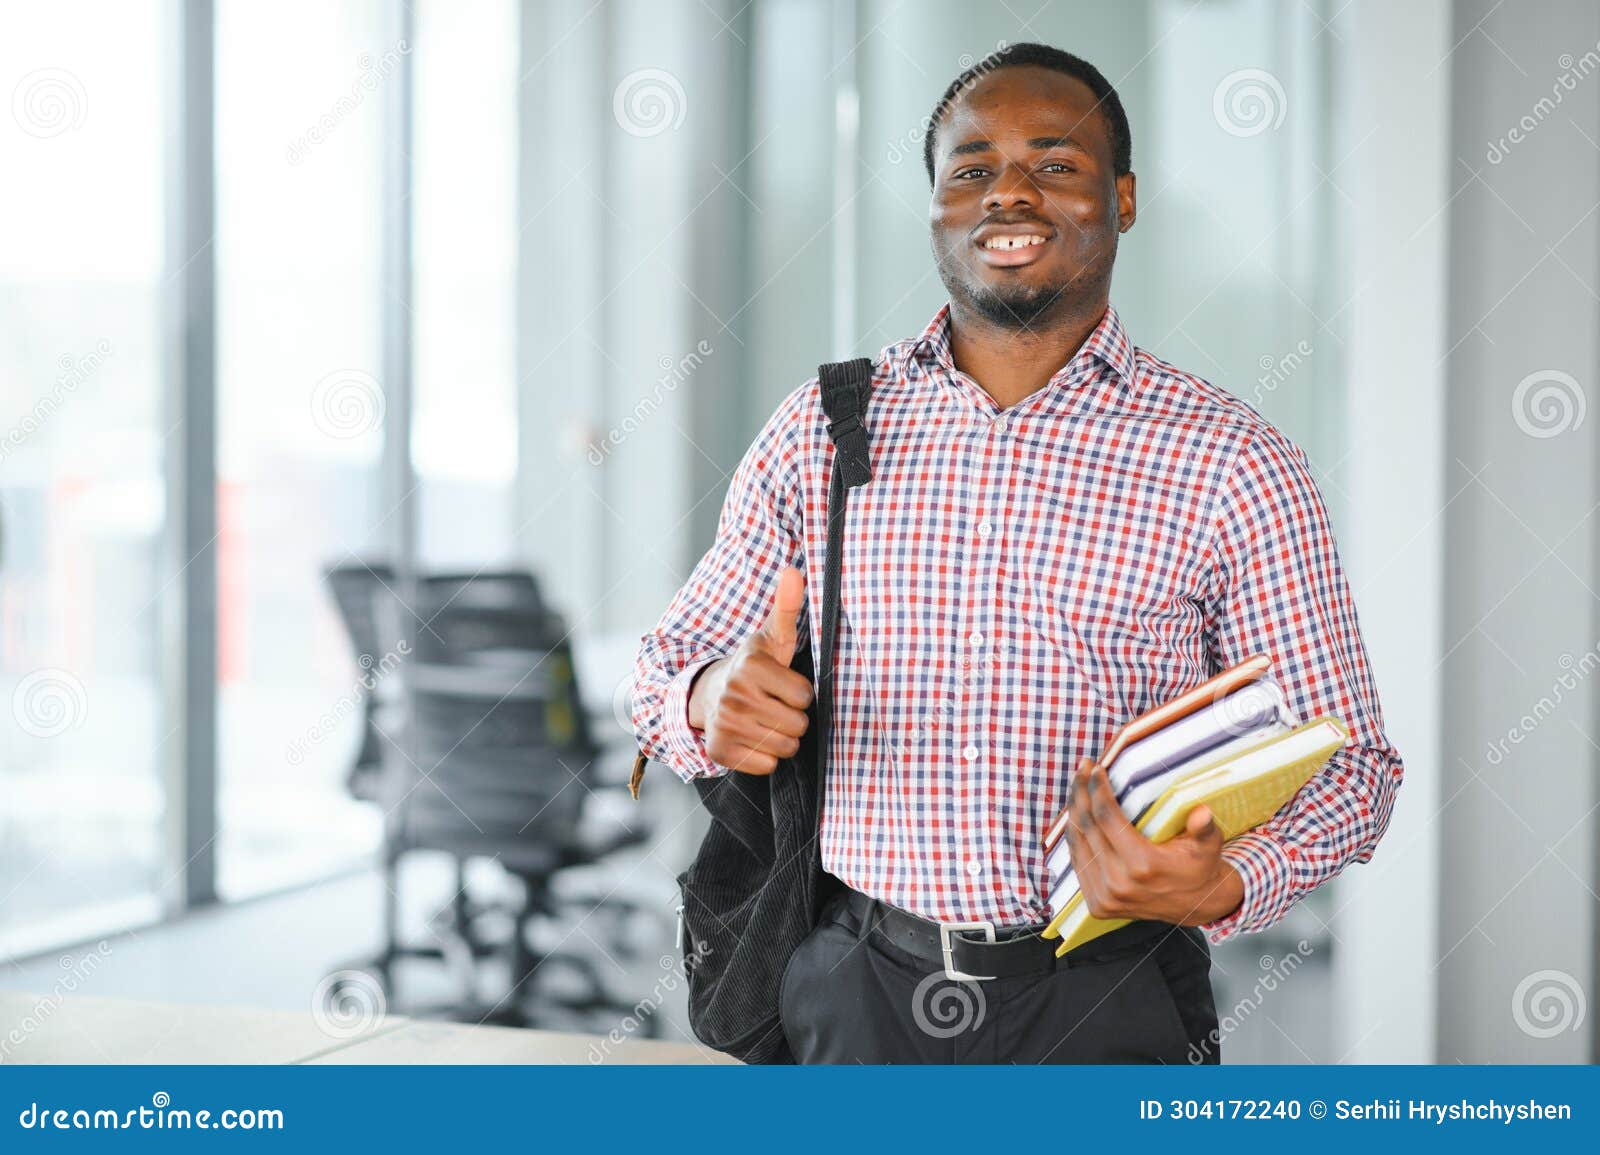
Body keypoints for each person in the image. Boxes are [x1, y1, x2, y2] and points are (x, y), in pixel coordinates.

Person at [631, 42, 1403, 1063]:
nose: (1008, 193)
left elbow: (1353, 769)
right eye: (971, 169)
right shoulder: (822, 428)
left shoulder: (1232, 462)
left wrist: (1227, 882)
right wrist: (706, 697)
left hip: (1106, 996)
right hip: (855, 988)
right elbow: (660, 671)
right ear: (936, 208)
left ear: (1122, 199)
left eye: (1055, 162)